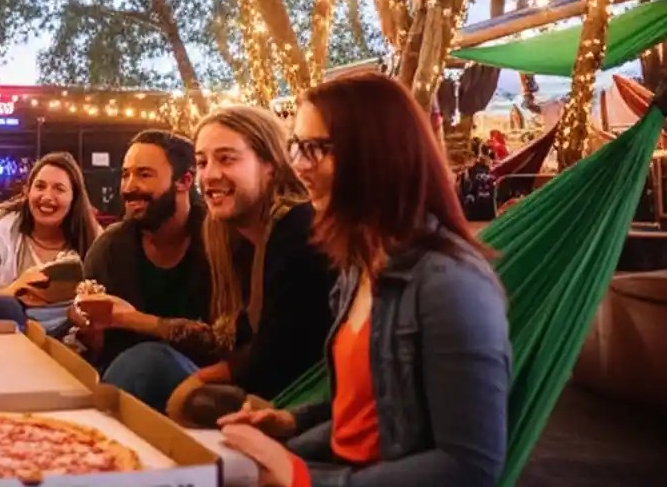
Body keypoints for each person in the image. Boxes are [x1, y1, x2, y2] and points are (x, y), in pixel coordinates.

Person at [219, 74, 511, 487]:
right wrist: (291, 421)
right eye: (296, 147)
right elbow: (377, 406)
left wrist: (300, 476)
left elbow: (468, 467)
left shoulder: (452, 286)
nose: (298, 166)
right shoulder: (359, 267)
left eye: (315, 148)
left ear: (377, 154)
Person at [176, 105, 335, 405]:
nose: (210, 175)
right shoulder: (225, 238)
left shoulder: (298, 227)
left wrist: (200, 380)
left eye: (226, 159)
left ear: (271, 165)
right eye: (202, 162)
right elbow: (224, 339)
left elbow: (277, 359)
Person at [70, 130, 239, 411]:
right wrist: (89, 330)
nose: (129, 187)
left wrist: (131, 319)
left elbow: (226, 344)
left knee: (148, 361)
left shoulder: (220, 242)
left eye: (144, 175)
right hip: (124, 388)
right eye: (125, 175)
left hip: (206, 389)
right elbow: (98, 351)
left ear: (184, 181)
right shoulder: (110, 248)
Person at [0, 153, 100, 336]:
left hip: (62, 332)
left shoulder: (93, 240)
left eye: (59, 189)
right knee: (8, 307)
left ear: (74, 198)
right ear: (28, 191)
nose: (47, 196)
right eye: (40, 186)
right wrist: (14, 289)